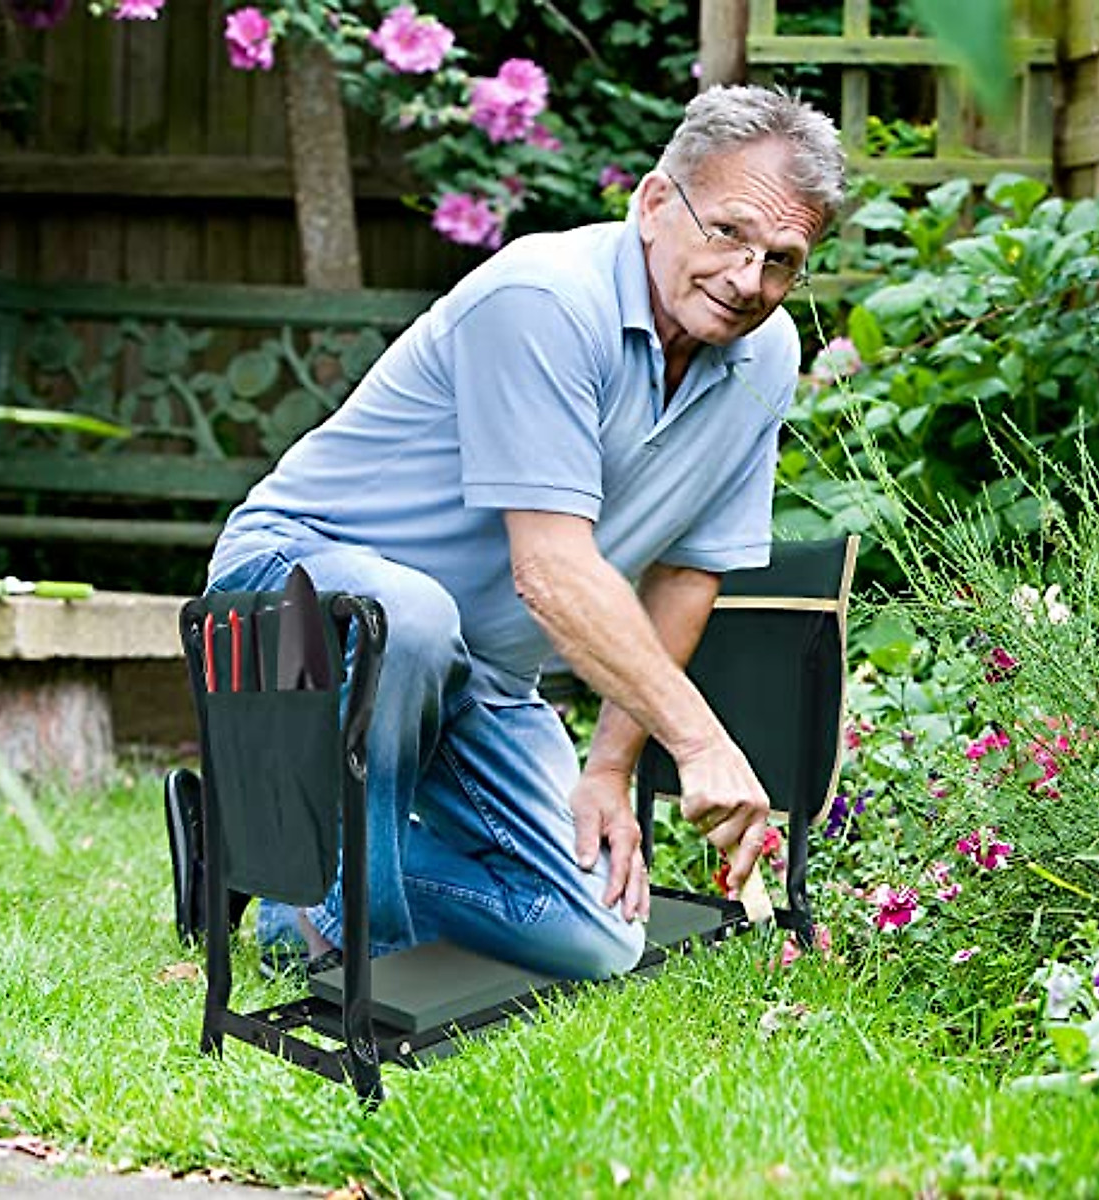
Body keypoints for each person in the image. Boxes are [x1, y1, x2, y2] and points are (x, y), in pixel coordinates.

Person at [196, 83, 845, 981]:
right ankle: (347, 938)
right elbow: (551, 570)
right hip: (294, 595)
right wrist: (699, 743)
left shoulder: (763, 357)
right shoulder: (545, 298)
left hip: (482, 669)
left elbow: (687, 573)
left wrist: (609, 768)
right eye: (728, 232)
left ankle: (276, 871)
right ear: (655, 202)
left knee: (595, 936)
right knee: (408, 615)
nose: (747, 281)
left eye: (781, 260)